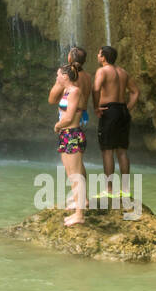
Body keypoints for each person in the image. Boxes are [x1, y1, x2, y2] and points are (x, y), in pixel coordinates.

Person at [94, 45, 138, 202]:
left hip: (110, 110)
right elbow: (135, 92)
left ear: (104, 57)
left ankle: (109, 189)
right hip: (122, 111)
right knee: (122, 151)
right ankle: (125, 190)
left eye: (99, 54)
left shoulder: (102, 71)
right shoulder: (123, 72)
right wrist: (127, 108)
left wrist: (96, 107)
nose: (97, 56)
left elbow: (96, 89)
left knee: (107, 150)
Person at [52, 60, 88, 227]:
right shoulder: (66, 90)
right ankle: (77, 206)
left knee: (76, 175)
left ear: (65, 76)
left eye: (58, 75)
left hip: (72, 134)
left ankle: (80, 215)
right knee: (71, 174)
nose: (56, 77)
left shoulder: (74, 91)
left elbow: (68, 116)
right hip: (65, 135)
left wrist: (57, 126)